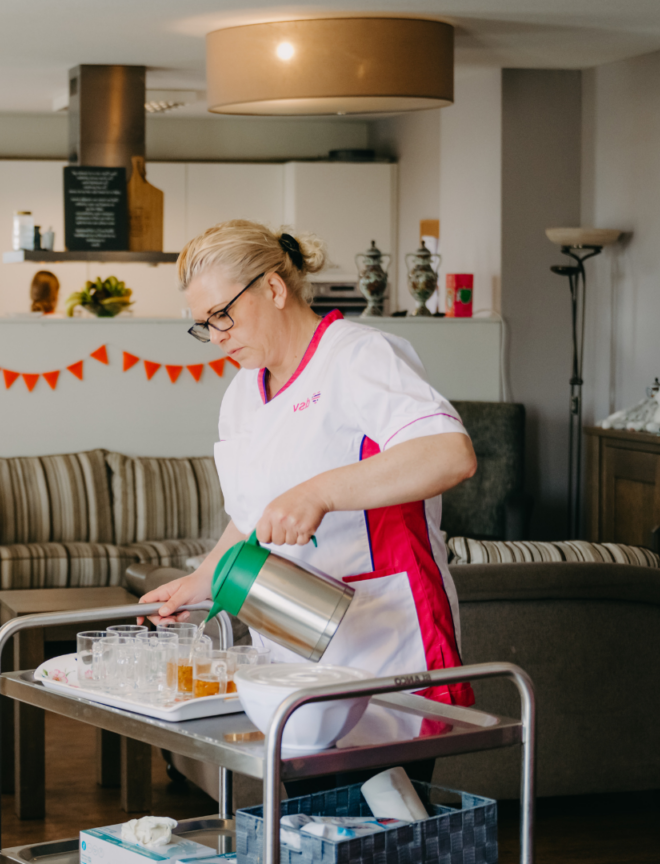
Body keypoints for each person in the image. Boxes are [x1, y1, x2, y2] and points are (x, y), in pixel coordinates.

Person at [141, 220, 477, 786]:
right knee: (308, 834)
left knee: (383, 828)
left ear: (273, 289)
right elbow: (251, 514)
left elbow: (450, 454)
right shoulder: (243, 393)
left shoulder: (360, 356)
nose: (217, 334)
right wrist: (204, 577)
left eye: (222, 314)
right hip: (290, 654)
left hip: (385, 647)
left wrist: (320, 492)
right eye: (204, 325)